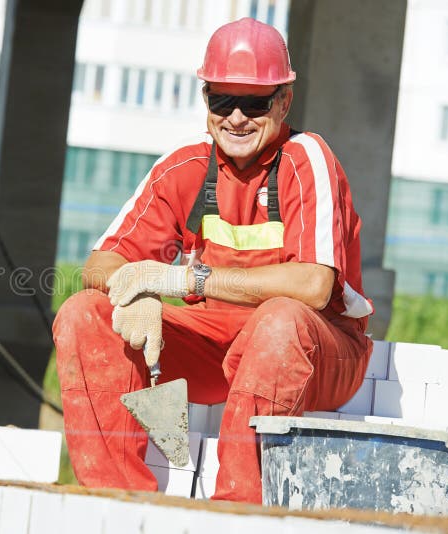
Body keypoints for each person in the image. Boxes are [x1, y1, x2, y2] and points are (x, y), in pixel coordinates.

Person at [52, 17, 373, 504]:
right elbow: (99, 264)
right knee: (83, 315)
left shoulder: (306, 158)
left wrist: (187, 278)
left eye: (255, 102)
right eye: (223, 100)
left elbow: (313, 286)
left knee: (280, 320)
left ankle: (232, 513)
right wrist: (133, 289)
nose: (237, 117)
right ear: (206, 100)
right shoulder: (185, 167)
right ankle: (118, 509)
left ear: (284, 101)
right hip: (218, 350)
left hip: (318, 353)